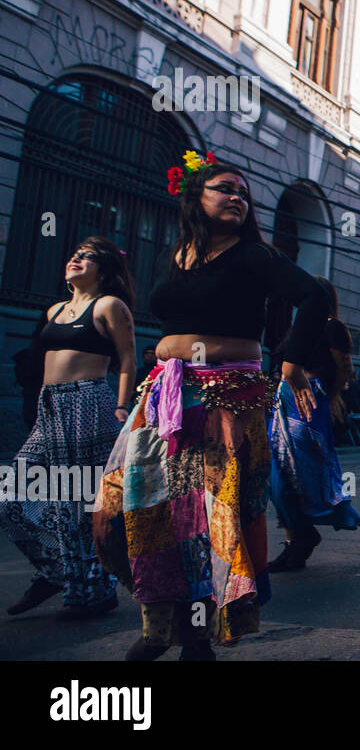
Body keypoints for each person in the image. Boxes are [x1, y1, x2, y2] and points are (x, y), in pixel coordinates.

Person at [93, 152, 329, 660]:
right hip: (165, 396)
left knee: (206, 514)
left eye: (243, 193)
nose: (237, 198)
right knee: (141, 506)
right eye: (225, 188)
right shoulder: (179, 255)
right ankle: (171, 619)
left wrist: (289, 360)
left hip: (226, 401)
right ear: (195, 198)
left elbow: (314, 298)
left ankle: (196, 632)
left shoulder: (255, 258)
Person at [3, 237, 136, 620]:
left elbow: (126, 360)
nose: (74, 260)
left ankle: (94, 592)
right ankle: (57, 571)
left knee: (80, 502)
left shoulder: (109, 305)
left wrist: (121, 407)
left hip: (87, 402)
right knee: (10, 499)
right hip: (50, 406)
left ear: (104, 269)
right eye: (73, 255)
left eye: (86, 257)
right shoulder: (54, 310)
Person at [267, 276, 360, 572]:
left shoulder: (332, 326)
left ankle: (300, 540)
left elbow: (342, 368)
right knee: (277, 477)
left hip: (309, 406)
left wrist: (327, 401)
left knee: (301, 476)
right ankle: (297, 539)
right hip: (280, 404)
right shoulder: (298, 327)